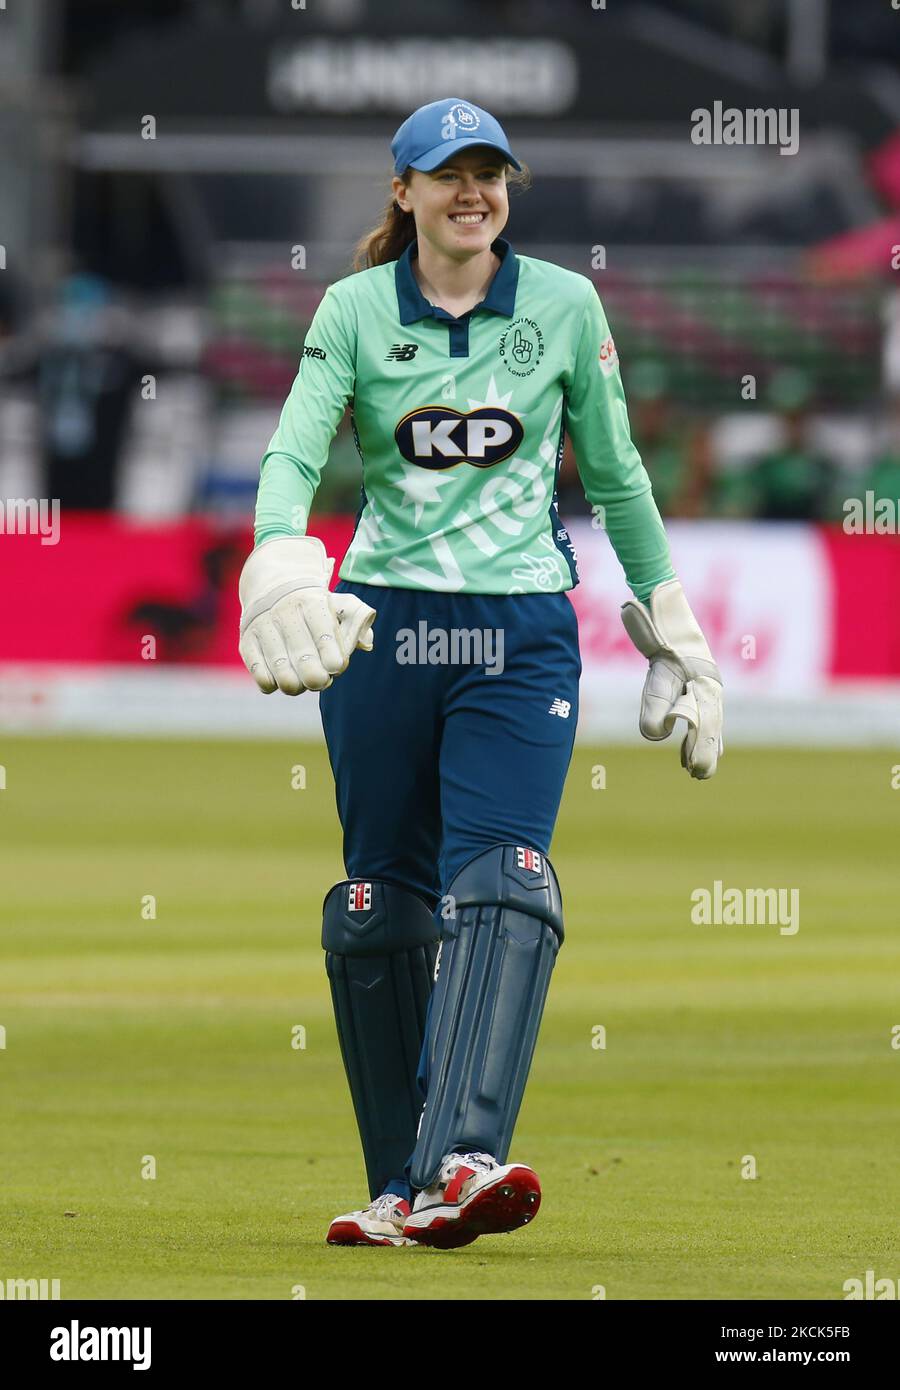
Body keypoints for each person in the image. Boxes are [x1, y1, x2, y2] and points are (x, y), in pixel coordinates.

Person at [237, 98, 724, 1252]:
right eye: (446, 175)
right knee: (377, 910)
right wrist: (277, 561)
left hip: (516, 634)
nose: (472, 193)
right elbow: (296, 447)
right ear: (401, 192)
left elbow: (617, 473)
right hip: (386, 630)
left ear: (508, 188)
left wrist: (678, 625)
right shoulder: (357, 307)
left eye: (490, 174)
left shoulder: (563, 303)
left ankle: (462, 1153)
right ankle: (402, 1189)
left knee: (504, 878)